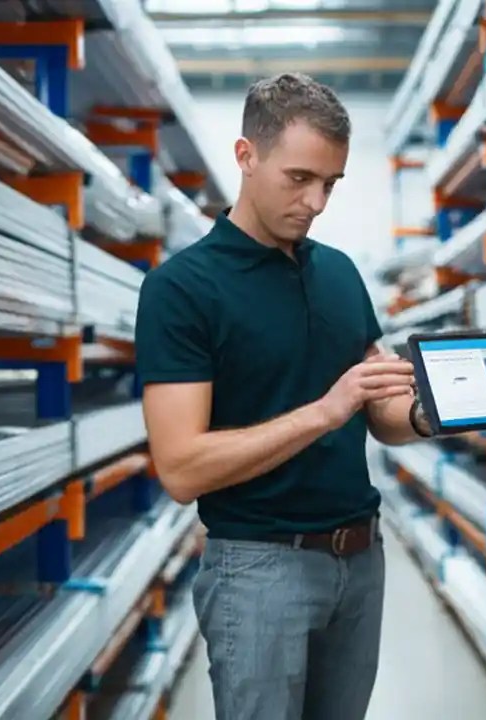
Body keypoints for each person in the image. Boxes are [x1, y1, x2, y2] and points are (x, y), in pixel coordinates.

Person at [135, 72, 435, 720]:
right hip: (259, 571)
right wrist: (324, 413)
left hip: (361, 561)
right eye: (299, 178)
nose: (317, 201)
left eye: (331, 183)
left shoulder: (339, 274)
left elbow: (378, 411)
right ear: (247, 156)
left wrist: (428, 415)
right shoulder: (182, 289)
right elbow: (182, 468)